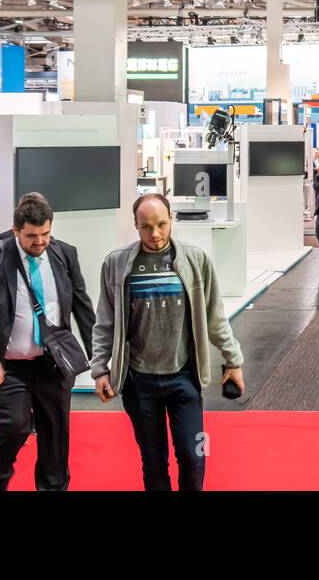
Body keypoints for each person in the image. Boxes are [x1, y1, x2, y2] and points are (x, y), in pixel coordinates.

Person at [92, 193, 244, 492]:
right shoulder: (117, 264)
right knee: (153, 461)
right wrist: (99, 369)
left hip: (184, 378)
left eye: (162, 224)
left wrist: (233, 360)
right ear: (135, 224)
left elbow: (215, 317)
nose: (156, 234)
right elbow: (105, 321)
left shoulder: (195, 259)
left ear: (172, 219)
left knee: (192, 454)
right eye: (146, 226)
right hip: (138, 382)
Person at [0, 193, 95, 491]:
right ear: (16, 229)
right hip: (8, 367)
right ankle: (0, 477)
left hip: (53, 365)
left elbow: (83, 308)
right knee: (14, 426)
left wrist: (100, 363)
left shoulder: (65, 255)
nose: (39, 242)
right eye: (31, 235)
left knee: (56, 438)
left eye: (45, 233)